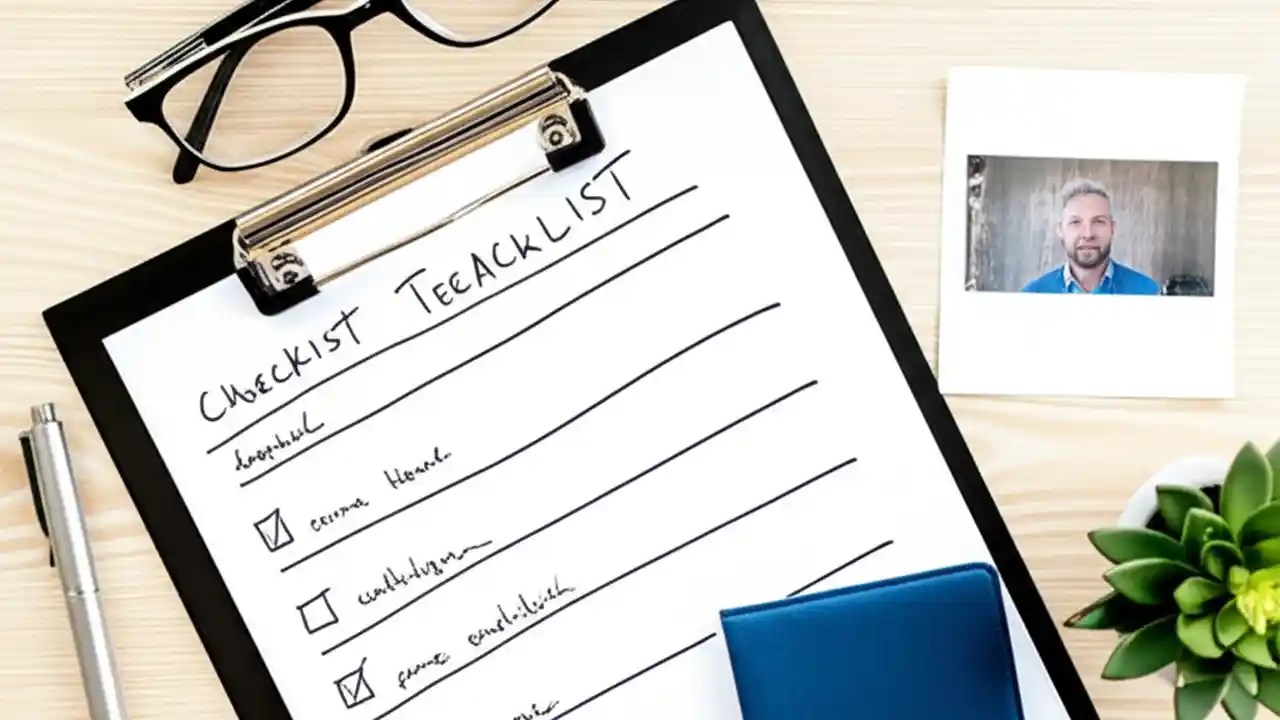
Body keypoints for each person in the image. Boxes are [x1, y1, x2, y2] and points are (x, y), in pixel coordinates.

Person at [1021, 178, 1161, 295]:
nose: (1088, 234)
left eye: (1099, 221)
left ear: (1112, 228)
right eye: (1075, 222)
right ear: (1060, 230)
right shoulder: (1032, 295)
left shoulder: (1149, 292)